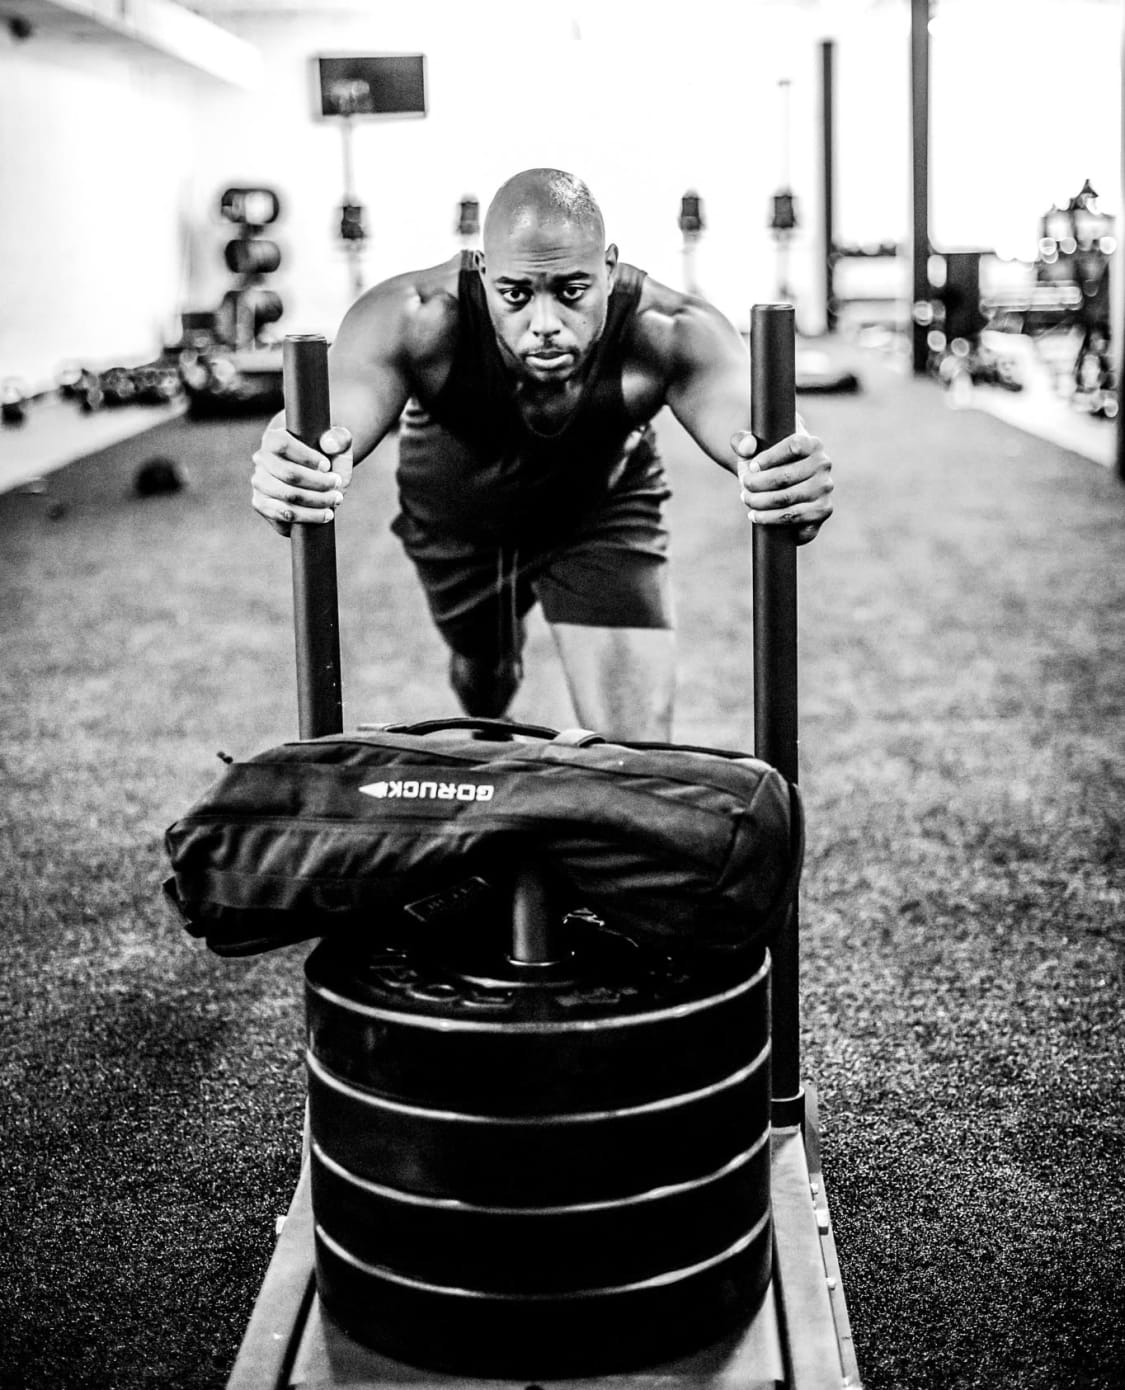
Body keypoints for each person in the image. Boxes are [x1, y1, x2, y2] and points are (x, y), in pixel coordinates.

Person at [251, 168, 833, 741]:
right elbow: (332, 417)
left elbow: (749, 420)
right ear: (483, 273)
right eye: (516, 295)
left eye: (572, 291)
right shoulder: (411, 316)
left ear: (609, 268)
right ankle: (490, 695)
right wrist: (293, 461)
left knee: (631, 752)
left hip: (599, 510)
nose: (546, 324)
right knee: (486, 679)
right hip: (459, 517)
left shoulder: (670, 329)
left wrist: (787, 465)